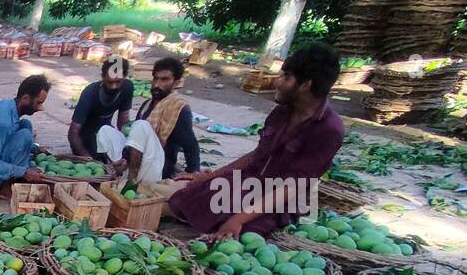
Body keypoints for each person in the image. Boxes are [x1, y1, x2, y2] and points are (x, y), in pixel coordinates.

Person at [168, 43, 344, 240]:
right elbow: (257, 155)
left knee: (241, 234)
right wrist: (209, 176)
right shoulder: (282, 111)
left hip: (280, 199)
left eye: (286, 77)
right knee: (181, 202)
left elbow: (292, 187)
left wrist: (239, 219)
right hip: (248, 184)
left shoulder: (329, 130)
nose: (278, 82)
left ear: (305, 85)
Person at [97, 56, 200, 185]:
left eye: (164, 80)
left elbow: (190, 143)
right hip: (137, 160)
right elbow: (135, 140)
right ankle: (123, 169)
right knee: (105, 131)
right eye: (155, 78)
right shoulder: (147, 104)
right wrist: (124, 158)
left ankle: (131, 182)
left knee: (140, 125)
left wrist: (193, 171)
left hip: (157, 167)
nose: (157, 84)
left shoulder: (178, 108)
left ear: (176, 83)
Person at [69, 57, 134, 161]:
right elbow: (73, 132)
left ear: (125, 77)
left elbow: (123, 123)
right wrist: (87, 158)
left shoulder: (127, 87)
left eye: (118, 82)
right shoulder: (90, 93)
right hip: (85, 135)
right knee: (100, 164)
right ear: (102, 77)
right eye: (109, 82)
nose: (113, 86)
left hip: (106, 130)